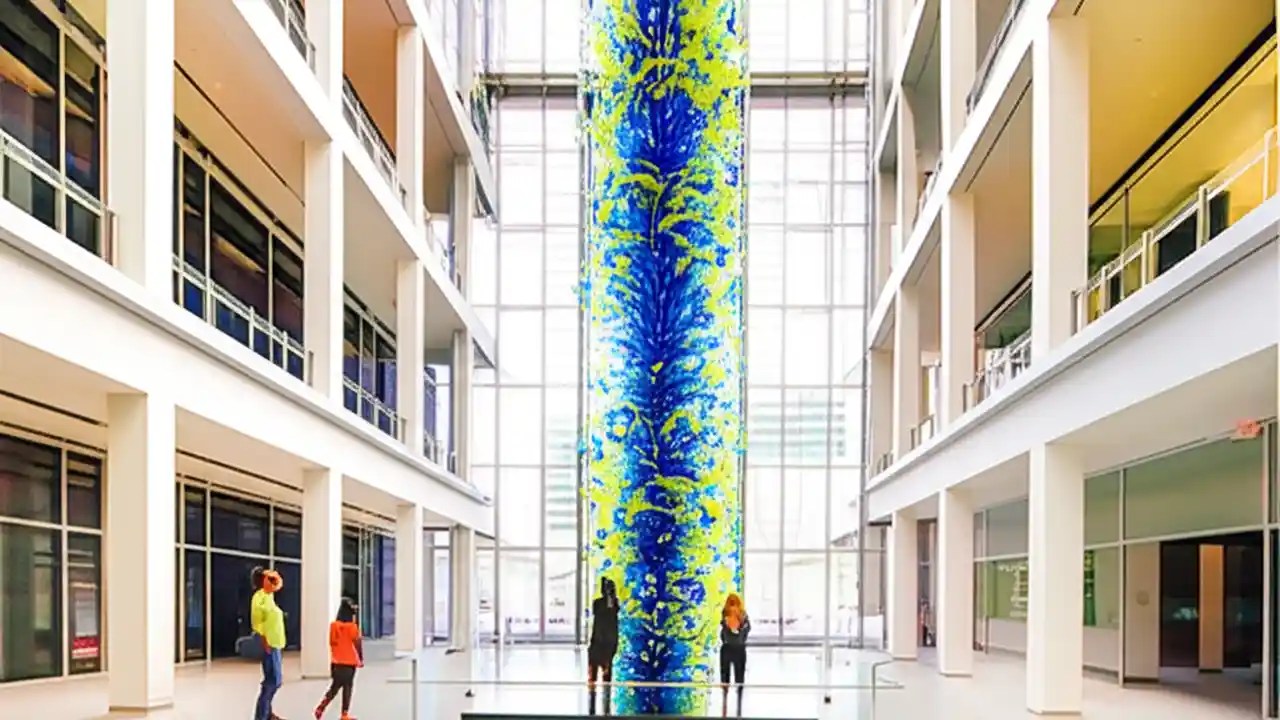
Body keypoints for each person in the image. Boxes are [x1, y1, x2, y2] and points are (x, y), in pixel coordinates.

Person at [315, 598, 364, 719]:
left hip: (336, 662)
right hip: (349, 663)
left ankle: (321, 707)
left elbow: (332, 643)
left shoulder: (333, 626)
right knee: (347, 687)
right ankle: (344, 714)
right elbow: (358, 643)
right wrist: (361, 658)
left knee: (335, 687)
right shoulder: (352, 627)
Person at [251, 566, 287, 720]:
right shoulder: (258, 597)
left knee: (272, 679)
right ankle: (261, 716)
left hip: (276, 643)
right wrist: (264, 641)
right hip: (269, 643)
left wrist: (272, 575)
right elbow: (257, 622)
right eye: (267, 578)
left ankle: (267, 713)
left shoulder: (269, 595)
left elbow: (279, 583)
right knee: (274, 680)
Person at [587, 577, 619, 716]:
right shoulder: (598, 604)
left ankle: (606, 707)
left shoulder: (614, 604)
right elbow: (599, 611)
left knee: (606, 677)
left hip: (607, 646)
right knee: (592, 677)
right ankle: (592, 703)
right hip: (597, 645)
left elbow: (613, 611)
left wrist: (611, 598)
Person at [719, 593, 750, 718]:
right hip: (727, 648)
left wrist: (739, 628)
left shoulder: (743, 616)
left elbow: (745, 632)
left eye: (734, 603)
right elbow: (723, 634)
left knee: (739, 675)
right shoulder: (724, 616)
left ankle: (739, 697)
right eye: (730, 603)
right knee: (725, 674)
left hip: (738, 648)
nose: (732, 607)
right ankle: (725, 695)